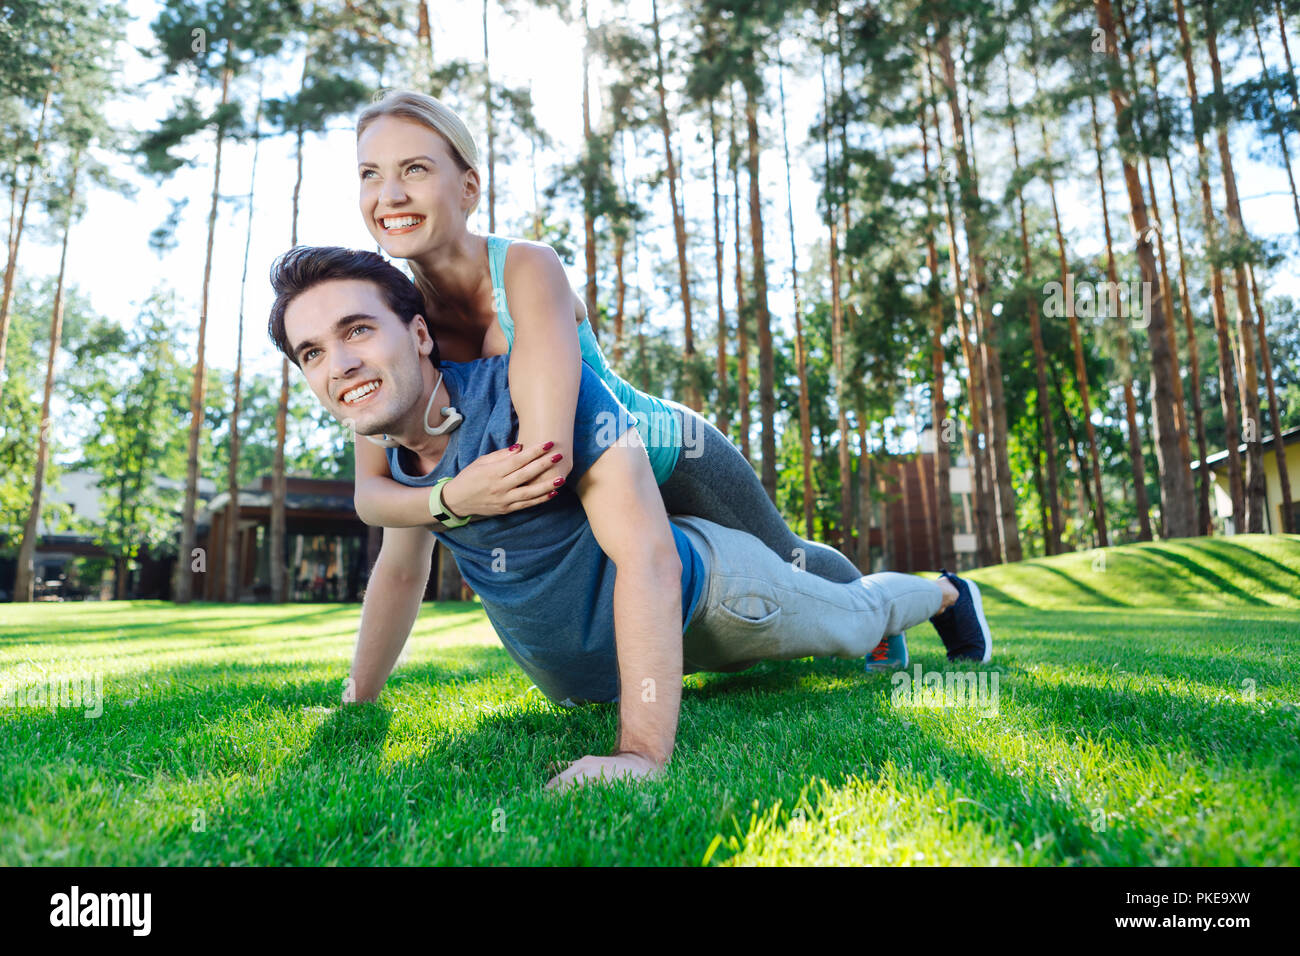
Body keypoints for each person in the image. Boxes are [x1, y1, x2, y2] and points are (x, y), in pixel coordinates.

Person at [268, 245, 994, 793]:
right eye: (313, 353)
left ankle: (947, 594)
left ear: (421, 335)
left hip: (717, 598)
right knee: (810, 636)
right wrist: (358, 701)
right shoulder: (396, 454)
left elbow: (648, 558)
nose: (339, 364)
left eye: (357, 330)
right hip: (605, 670)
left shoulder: (532, 392)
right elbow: (400, 572)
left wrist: (640, 752)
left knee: (856, 618)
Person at [347, 89, 866, 585]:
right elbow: (371, 493)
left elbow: (546, 457)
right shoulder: (390, 315)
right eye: (371, 174)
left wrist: (441, 498)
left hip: (671, 454)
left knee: (788, 562)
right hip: (594, 500)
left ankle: (921, 604)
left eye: (415, 168)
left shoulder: (527, 266)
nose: (389, 195)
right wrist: (452, 497)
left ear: (469, 187)